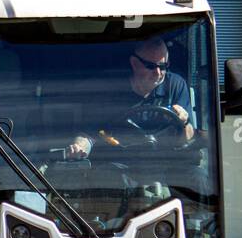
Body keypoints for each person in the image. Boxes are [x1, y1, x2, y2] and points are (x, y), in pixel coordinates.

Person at [66, 36, 194, 159]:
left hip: (165, 162)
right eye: (150, 66)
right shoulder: (109, 89)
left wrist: (185, 123)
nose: (158, 73)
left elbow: (188, 137)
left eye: (163, 66)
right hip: (121, 164)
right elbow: (89, 133)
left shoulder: (175, 85)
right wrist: (78, 147)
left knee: (197, 177)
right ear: (134, 63)